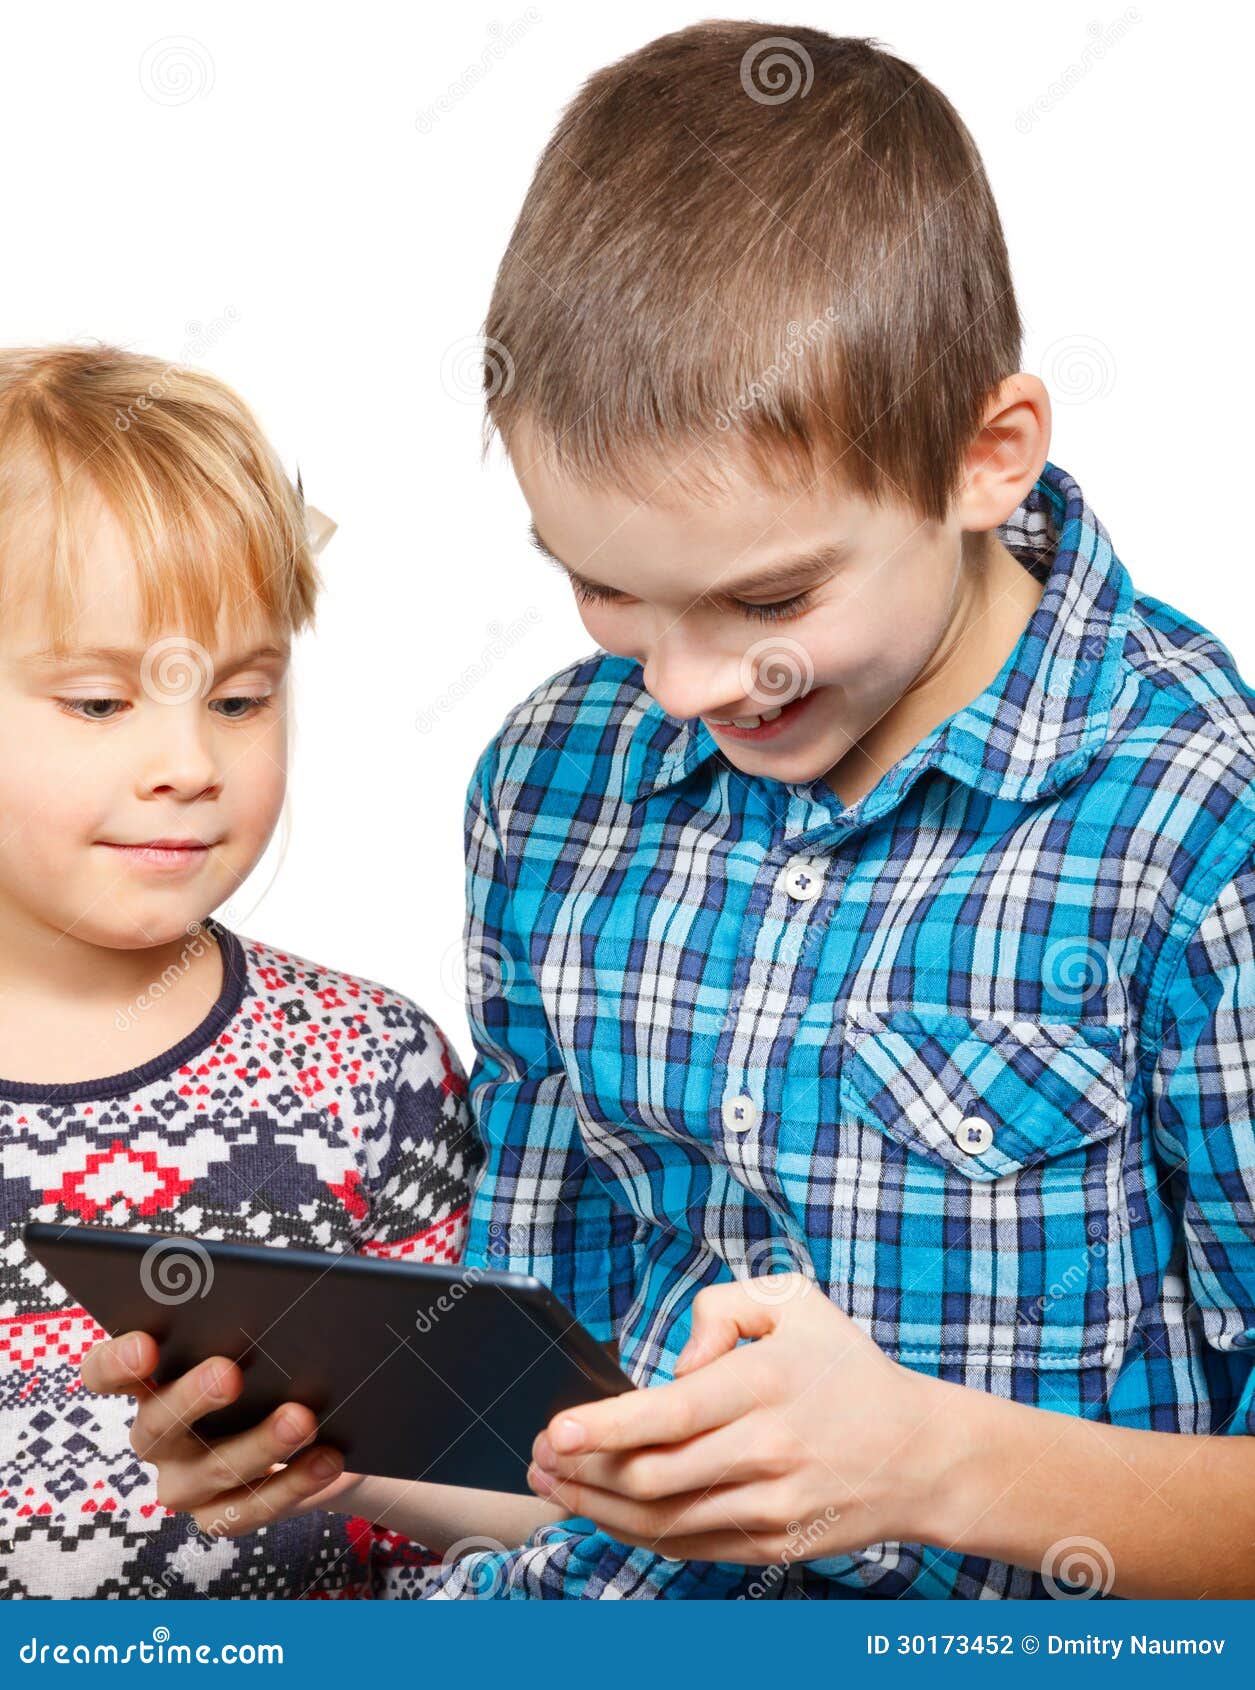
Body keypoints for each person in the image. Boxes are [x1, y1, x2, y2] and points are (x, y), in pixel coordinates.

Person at [90, 23, 1255, 1599]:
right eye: (605, 588)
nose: (690, 684)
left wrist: (929, 1463)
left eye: (767, 594)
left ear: (986, 457)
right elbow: (544, 1453)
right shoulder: (553, 780)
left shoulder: (1189, 821)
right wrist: (335, 1448)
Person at [0, 344, 487, 1598]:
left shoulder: (371, 1070)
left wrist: (349, 1470)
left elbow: (488, 1514)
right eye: (100, 702)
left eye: (239, 696)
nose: (188, 762)